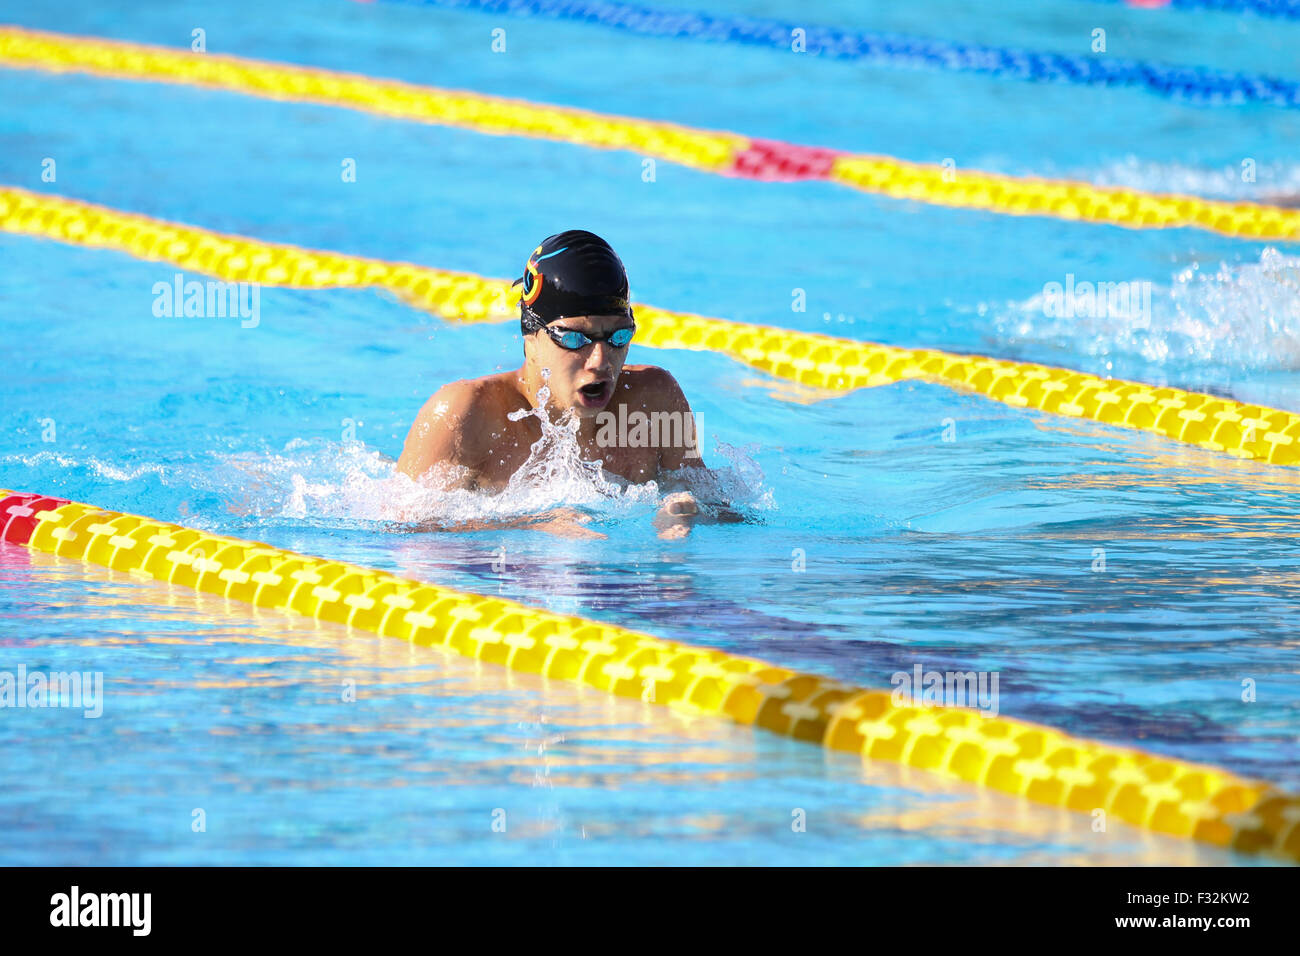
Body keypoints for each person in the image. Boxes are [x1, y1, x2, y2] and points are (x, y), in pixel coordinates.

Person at [397, 230, 705, 538]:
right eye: (574, 339)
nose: (600, 360)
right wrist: (534, 524)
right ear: (530, 336)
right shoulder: (463, 413)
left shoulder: (655, 401)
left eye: (618, 337)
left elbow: (729, 509)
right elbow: (401, 531)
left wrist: (692, 510)